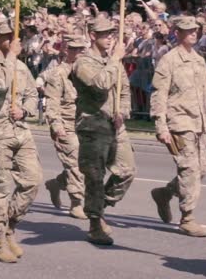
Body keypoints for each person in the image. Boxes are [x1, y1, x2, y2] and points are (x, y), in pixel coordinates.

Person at [0, 19, 41, 263]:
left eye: (14, 36)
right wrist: (11, 56)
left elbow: (33, 95)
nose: (12, 40)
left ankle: (11, 224)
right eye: (5, 36)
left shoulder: (21, 67)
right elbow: (0, 85)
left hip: (20, 131)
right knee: (0, 189)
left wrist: (25, 110)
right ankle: (0, 239)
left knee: (32, 182)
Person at [149, 16, 206, 237]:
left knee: (204, 168)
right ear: (177, 33)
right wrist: (161, 125)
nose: (193, 33)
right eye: (187, 30)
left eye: (195, 30)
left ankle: (165, 193)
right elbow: (159, 93)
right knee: (189, 170)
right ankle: (187, 217)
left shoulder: (199, 60)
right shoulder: (169, 60)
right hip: (179, 122)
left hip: (200, 124)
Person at [70, 17, 136, 246]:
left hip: (115, 126)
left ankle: (99, 206)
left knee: (126, 170)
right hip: (93, 127)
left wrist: (123, 112)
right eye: (104, 34)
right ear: (92, 36)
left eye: (111, 33)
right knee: (95, 177)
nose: (109, 37)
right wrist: (116, 59)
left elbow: (125, 90)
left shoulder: (113, 62)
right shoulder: (83, 63)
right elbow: (100, 84)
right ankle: (95, 223)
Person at [43, 34, 88, 220]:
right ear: (66, 51)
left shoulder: (87, 72)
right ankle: (77, 202)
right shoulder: (58, 74)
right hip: (66, 125)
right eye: (73, 49)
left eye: (81, 49)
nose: (77, 53)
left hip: (85, 125)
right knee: (75, 162)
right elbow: (52, 104)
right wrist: (56, 125)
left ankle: (57, 184)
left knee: (85, 165)